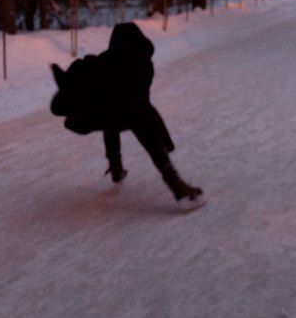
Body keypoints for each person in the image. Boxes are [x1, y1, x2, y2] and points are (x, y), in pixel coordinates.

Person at [50, 22, 203, 208]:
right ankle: (176, 186)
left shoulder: (107, 61)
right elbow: (143, 100)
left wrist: (67, 79)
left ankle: (116, 170)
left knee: (111, 123)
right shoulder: (144, 63)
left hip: (115, 112)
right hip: (134, 111)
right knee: (150, 142)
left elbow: (85, 71)